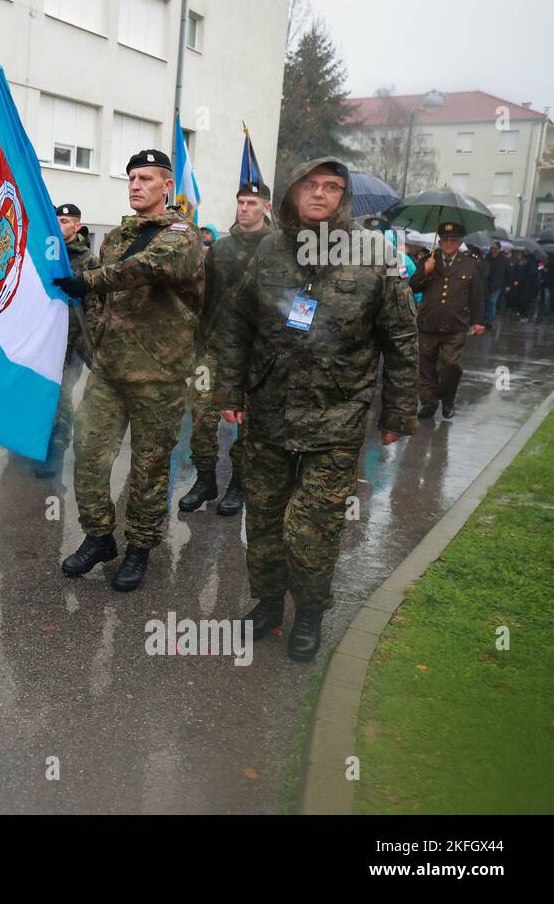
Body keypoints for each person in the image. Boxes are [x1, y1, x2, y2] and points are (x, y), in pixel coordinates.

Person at [215, 157, 418, 663]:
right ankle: (266, 606)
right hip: (268, 414)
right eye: (310, 184)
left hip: (337, 418)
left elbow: (402, 338)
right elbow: (237, 324)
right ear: (291, 193)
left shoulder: (374, 255)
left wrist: (398, 414)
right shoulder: (268, 251)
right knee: (262, 520)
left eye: (332, 187)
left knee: (309, 530)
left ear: (344, 198)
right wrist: (228, 392)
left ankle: (308, 613)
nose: (320, 194)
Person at [52, 149, 203, 591]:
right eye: (131, 177)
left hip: (158, 376)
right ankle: (99, 535)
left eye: (146, 179)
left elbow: (153, 268)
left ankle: (139, 547)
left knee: (148, 467)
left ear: (166, 187)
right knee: (89, 454)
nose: (136, 185)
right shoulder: (116, 235)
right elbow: (100, 295)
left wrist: (91, 281)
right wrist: (97, 334)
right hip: (110, 371)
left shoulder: (183, 234)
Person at [179, 181, 272, 515]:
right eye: (240, 202)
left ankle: (238, 484)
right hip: (214, 349)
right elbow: (203, 298)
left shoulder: (278, 250)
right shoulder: (221, 249)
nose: (244, 208)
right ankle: (206, 478)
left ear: (267, 207)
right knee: (202, 414)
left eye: (251, 202)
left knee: (248, 424)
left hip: (255, 355)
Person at [35, 202, 99, 479]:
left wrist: (90, 343)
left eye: (64, 221)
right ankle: (38, 442)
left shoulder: (87, 260)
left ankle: (57, 452)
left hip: (72, 342)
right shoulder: (45, 255)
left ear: (77, 226)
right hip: (45, 340)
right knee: (42, 393)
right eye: (56, 219)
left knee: (60, 397)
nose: (59, 225)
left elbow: (96, 304)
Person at [410, 222, 485, 421]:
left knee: (450, 366)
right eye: (445, 240)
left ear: (460, 242)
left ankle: (448, 398)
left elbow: (477, 294)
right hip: (429, 321)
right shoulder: (429, 259)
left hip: (456, 323)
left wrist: (478, 321)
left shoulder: (470, 263)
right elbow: (413, 287)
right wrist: (425, 271)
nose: (449, 243)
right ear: (440, 241)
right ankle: (428, 403)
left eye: (453, 240)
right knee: (425, 365)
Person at [484, 242, 506, 328]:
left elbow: (508, 271)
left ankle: (489, 320)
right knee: (486, 301)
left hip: (497, 284)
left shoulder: (503, 259)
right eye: (493, 248)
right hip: (487, 283)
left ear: (499, 249)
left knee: (492, 301)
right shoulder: (487, 258)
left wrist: (508, 284)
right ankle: (485, 318)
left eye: (496, 249)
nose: (494, 250)